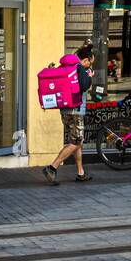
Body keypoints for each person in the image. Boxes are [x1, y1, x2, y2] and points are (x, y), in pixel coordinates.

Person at [43, 40, 94, 185]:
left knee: (77, 142)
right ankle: (52, 167)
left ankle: (80, 172)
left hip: (65, 110)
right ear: (85, 60)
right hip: (76, 111)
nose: (90, 66)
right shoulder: (79, 68)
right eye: (90, 63)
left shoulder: (66, 66)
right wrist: (89, 77)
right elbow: (84, 86)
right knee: (75, 142)